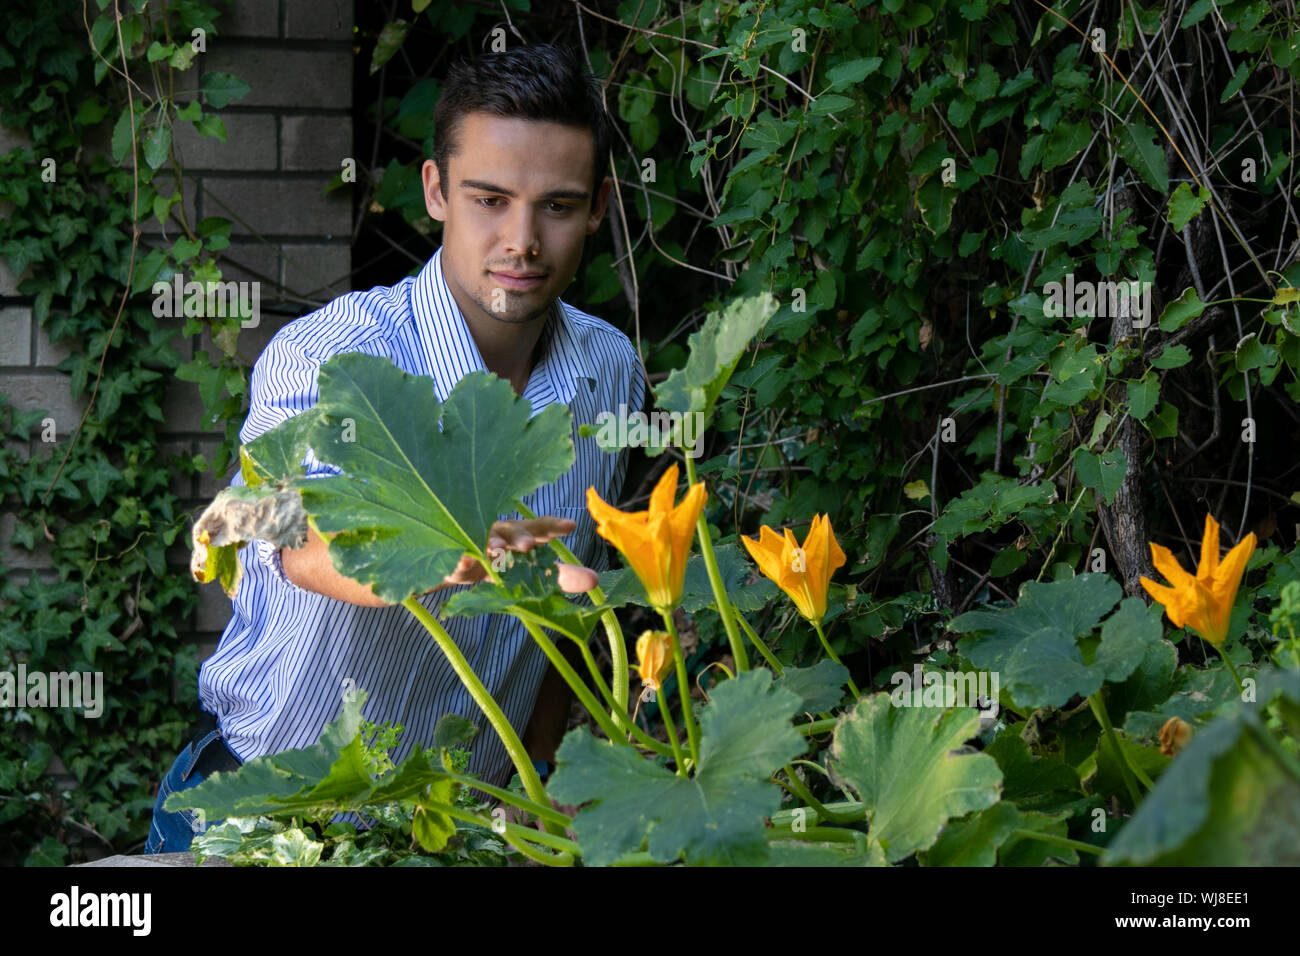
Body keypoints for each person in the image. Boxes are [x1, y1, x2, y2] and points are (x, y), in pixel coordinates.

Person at [144, 42, 644, 854]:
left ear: (596, 208)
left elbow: (566, 617)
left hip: (461, 829)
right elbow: (288, 532)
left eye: (557, 205)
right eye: (489, 199)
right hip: (268, 817)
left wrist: (545, 776)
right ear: (436, 190)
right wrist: (427, 547)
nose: (522, 241)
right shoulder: (334, 356)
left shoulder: (607, 371)